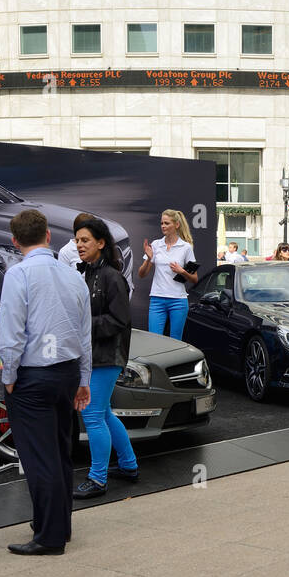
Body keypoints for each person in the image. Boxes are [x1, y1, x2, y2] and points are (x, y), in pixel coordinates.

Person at [0, 209, 92, 555]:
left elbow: (12, 333)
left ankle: (49, 536)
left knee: (40, 458)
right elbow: (85, 335)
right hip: (66, 373)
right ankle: (59, 527)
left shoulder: (18, 274)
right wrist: (83, 378)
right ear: (49, 236)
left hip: (33, 376)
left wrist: (8, 377)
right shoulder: (72, 276)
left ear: (14, 241)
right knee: (60, 453)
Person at [71, 217, 140, 500]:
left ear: (101, 243)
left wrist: (85, 324)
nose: (79, 245)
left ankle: (97, 479)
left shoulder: (112, 277)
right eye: (77, 240)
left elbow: (120, 320)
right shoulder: (89, 273)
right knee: (104, 414)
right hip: (97, 355)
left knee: (92, 416)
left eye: (85, 240)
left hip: (106, 356)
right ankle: (128, 465)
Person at [139, 209, 198, 339]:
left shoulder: (186, 247)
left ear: (176, 225)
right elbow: (141, 274)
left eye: (167, 223)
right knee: (154, 340)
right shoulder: (155, 245)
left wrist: (182, 271)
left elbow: (194, 279)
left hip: (178, 300)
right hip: (157, 299)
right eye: (162, 223)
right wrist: (149, 259)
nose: (163, 226)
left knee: (175, 341)